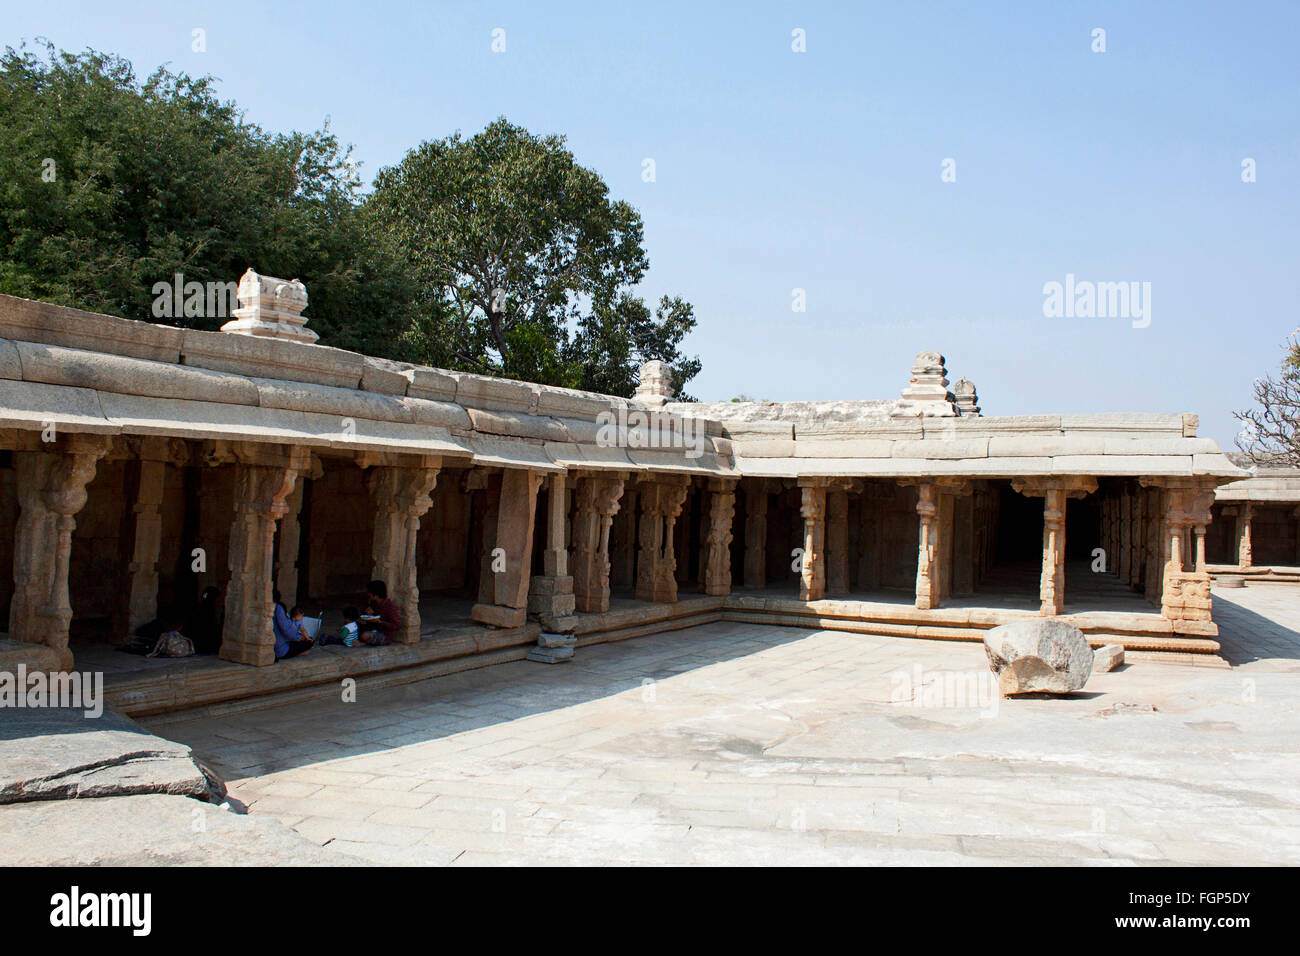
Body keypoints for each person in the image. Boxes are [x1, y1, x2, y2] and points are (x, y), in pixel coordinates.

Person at [273, 588, 313, 660]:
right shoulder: (278, 608)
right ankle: (297, 653)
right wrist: (300, 638)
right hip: (281, 650)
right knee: (309, 641)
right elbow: (286, 630)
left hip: (280, 643)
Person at [358, 580, 401, 646]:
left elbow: (396, 626)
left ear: (376, 595)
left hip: (384, 634)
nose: (368, 594)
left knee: (365, 636)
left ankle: (363, 643)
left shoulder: (389, 607)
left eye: (369, 593)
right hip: (374, 629)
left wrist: (380, 622)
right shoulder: (373, 603)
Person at [185, 586, 223, 655]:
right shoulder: (206, 611)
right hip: (202, 645)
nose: (220, 600)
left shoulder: (203, 608)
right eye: (218, 598)